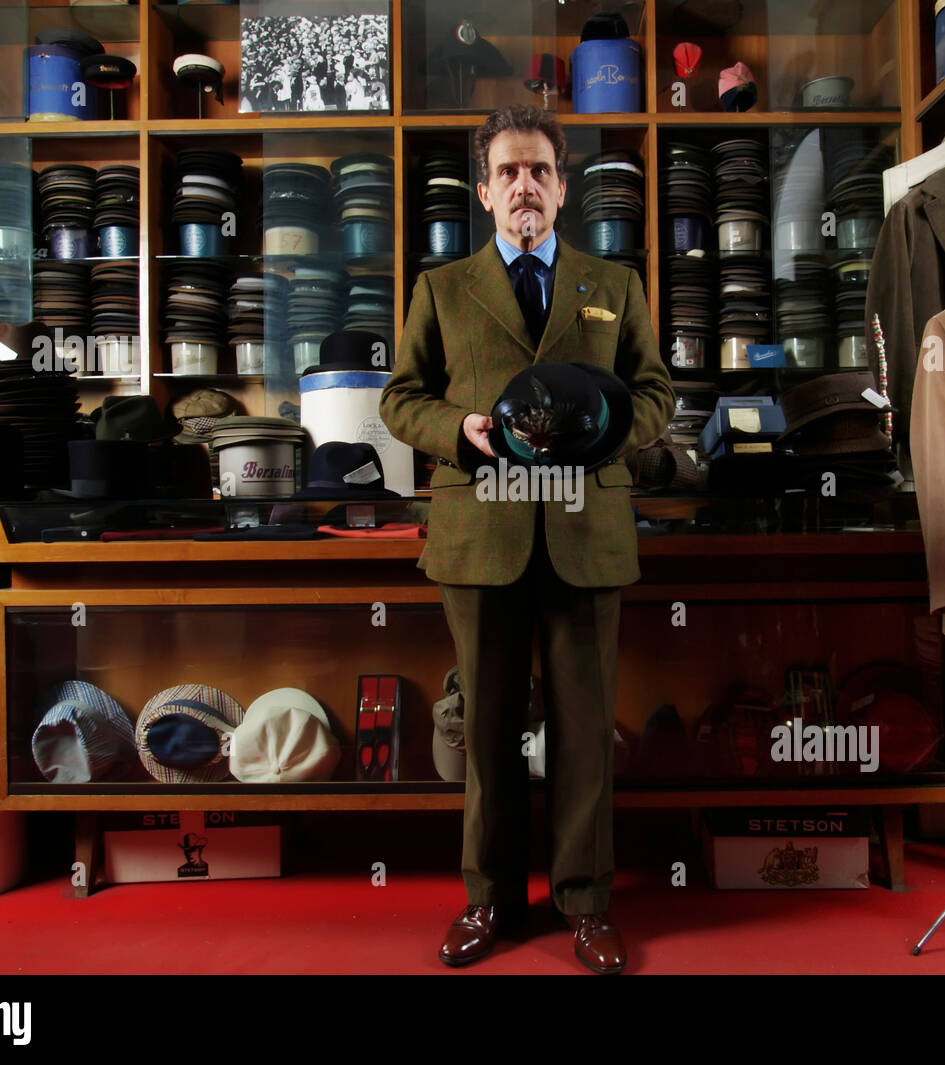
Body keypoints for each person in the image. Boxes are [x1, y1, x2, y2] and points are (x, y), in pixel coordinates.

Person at [380, 105, 674, 973]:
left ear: (562, 184)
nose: (524, 186)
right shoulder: (441, 287)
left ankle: (585, 904)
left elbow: (654, 392)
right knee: (489, 730)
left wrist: (611, 428)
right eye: (508, 172)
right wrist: (457, 429)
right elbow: (400, 399)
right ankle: (490, 901)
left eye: (539, 169)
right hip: (482, 534)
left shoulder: (612, 284)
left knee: (586, 732)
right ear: (484, 190)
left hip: (587, 534)